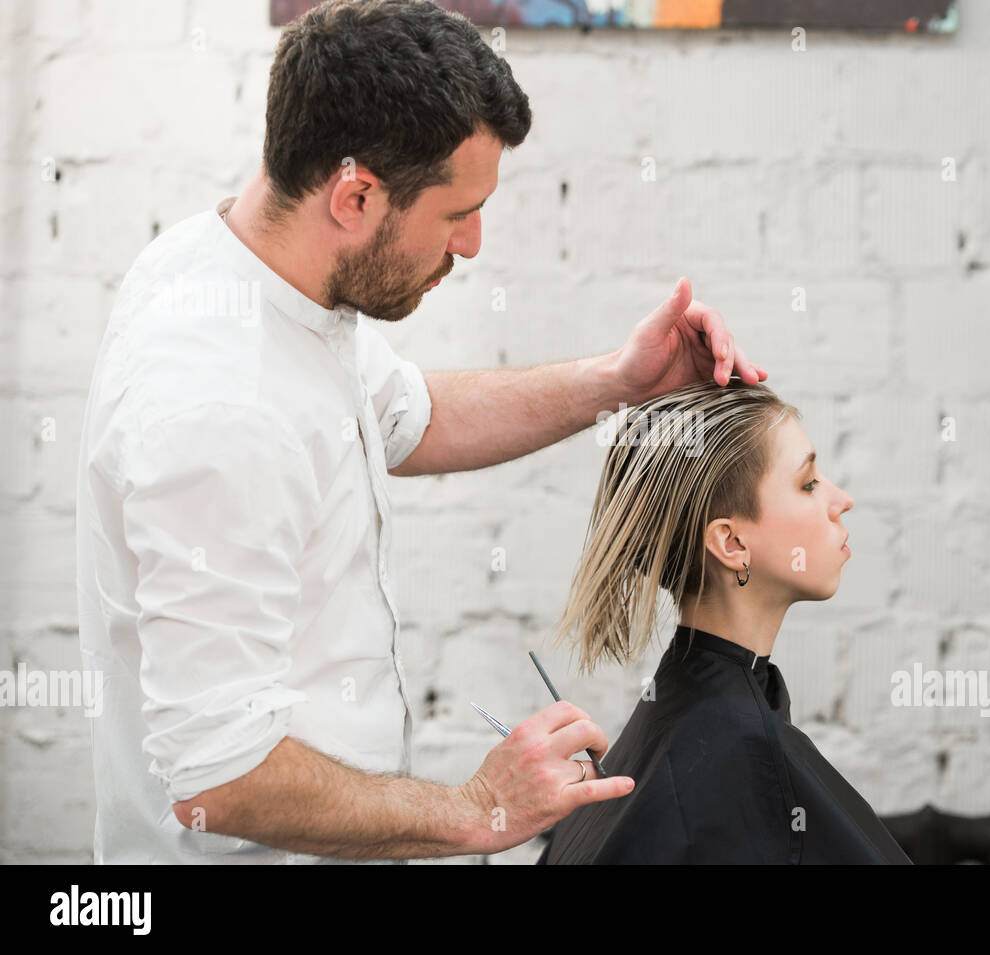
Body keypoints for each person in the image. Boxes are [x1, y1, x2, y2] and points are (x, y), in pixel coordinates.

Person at [74, 0, 765, 863]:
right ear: (356, 194)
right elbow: (219, 777)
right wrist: (479, 808)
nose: (472, 246)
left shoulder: (239, 267)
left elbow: (405, 416)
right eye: (455, 214)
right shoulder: (217, 402)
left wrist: (621, 382)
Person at [537, 380, 911, 863]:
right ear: (731, 544)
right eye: (808, 483)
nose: (840, 500)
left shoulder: (676, 712)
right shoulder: (741, 752)